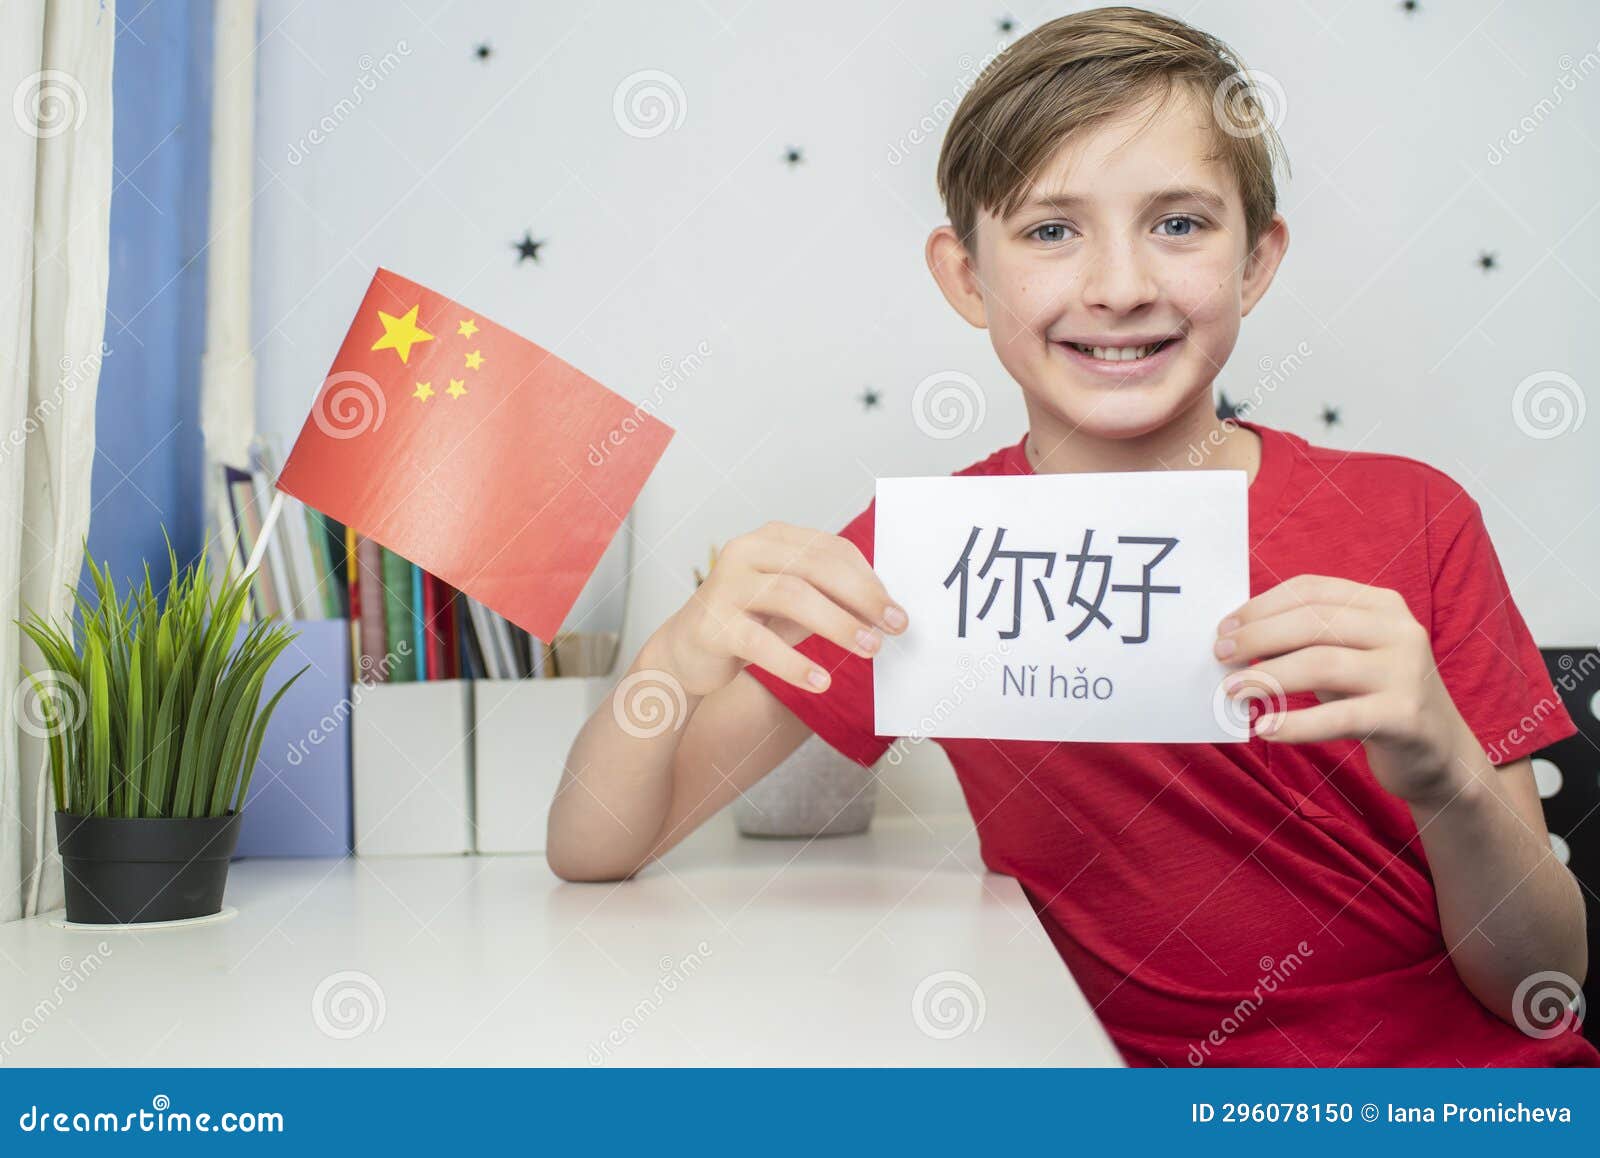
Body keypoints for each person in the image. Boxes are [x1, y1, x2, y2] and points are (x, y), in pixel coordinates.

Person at [546, 6, 1594, 1067]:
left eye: (1178, 224)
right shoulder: (925, 559)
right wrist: (671, 660)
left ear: (1255, 260)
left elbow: (1538, 987)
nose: (1121, 287)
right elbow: (595, 849)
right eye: (1052, 231)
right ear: (966, 276)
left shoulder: (1415, 517)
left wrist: (1451, 776)